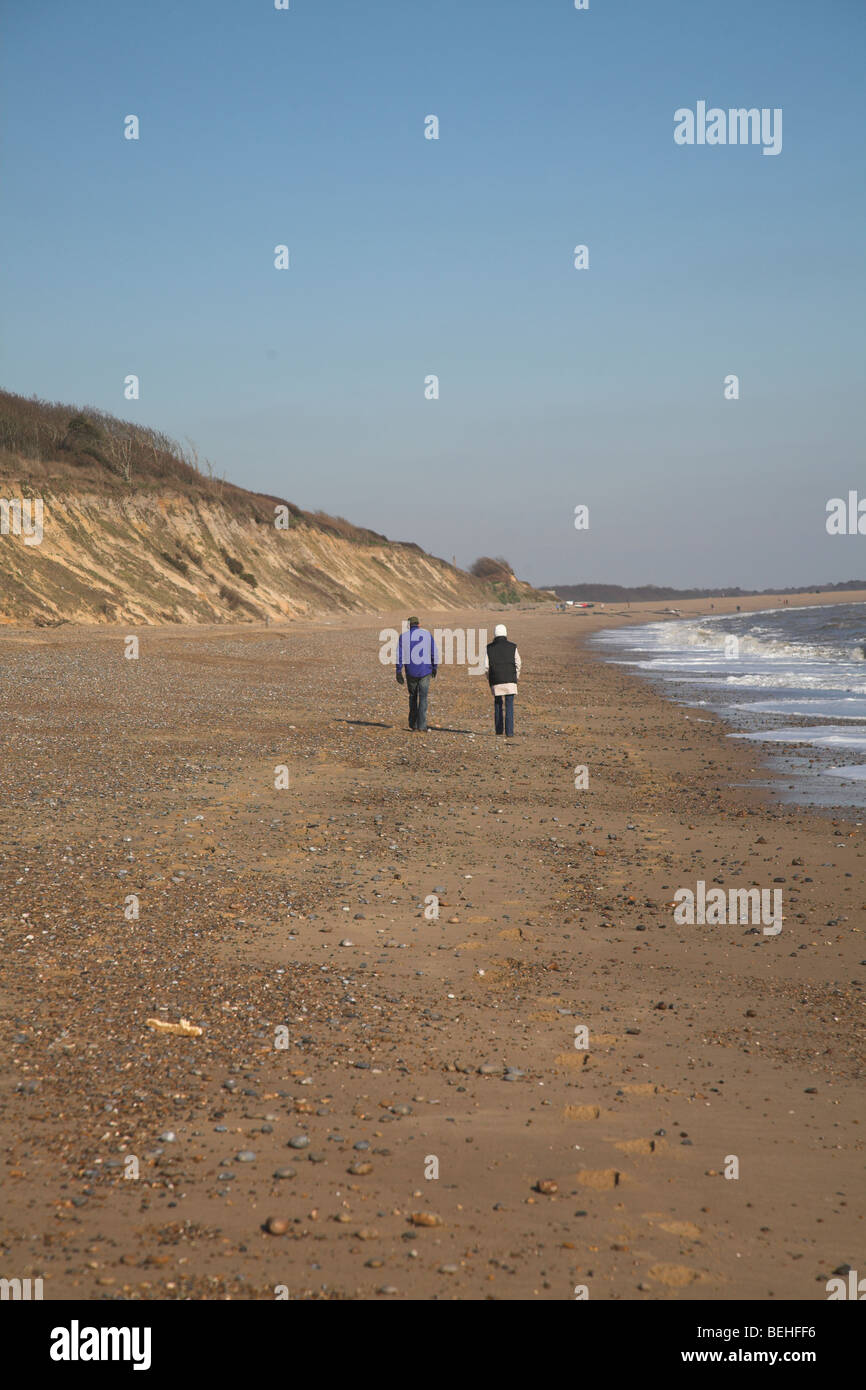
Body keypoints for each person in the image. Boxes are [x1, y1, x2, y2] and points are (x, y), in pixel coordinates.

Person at [395, 616, 439, 732]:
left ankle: (413, 724)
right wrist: (435, 667)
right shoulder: (427, 635)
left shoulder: (403, 637)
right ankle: (422, 726)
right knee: (423, 698)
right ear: (419, 624)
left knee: (413, 697)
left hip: (411, 671)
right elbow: (434, 652)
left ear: (409, 625)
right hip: (425, 670)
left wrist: (398, 671)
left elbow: (399, 655)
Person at [484, 623, 521, 737]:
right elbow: (518, 663)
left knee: (498, 704)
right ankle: (509, 732)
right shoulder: (513, 646)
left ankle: (499, 731)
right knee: (509, 706)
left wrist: (490, 678)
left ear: (495, 634)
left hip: (496, 680)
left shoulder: (489, 648)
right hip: (510, 680)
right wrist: (516, 676)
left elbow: (486, 667)